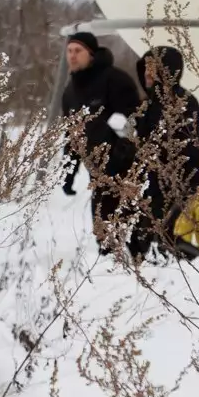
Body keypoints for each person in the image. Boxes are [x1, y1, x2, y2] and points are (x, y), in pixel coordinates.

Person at [60, 31, 141, 251]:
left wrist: (123, 153)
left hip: (126, 171)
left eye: (78, 51)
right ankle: (108, 264)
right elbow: (72, 135)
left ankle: (142, 266)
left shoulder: (115, 80)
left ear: (92, 54)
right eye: (69, 51)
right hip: (97, 174)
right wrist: (68, 172)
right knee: (105, 237)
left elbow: (134, 121)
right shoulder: (69, 93)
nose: (73, 56)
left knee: (133, 229)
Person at [128, 46, 199, 262]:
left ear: (167, 70)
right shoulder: (148, 103)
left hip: (173, 184)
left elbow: (182, 148)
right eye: (145, 68)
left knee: (161, 240)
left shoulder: (184, 102)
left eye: (153, 68)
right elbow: (135, 137)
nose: (147, 74)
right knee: (142, 238)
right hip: (149, 184)